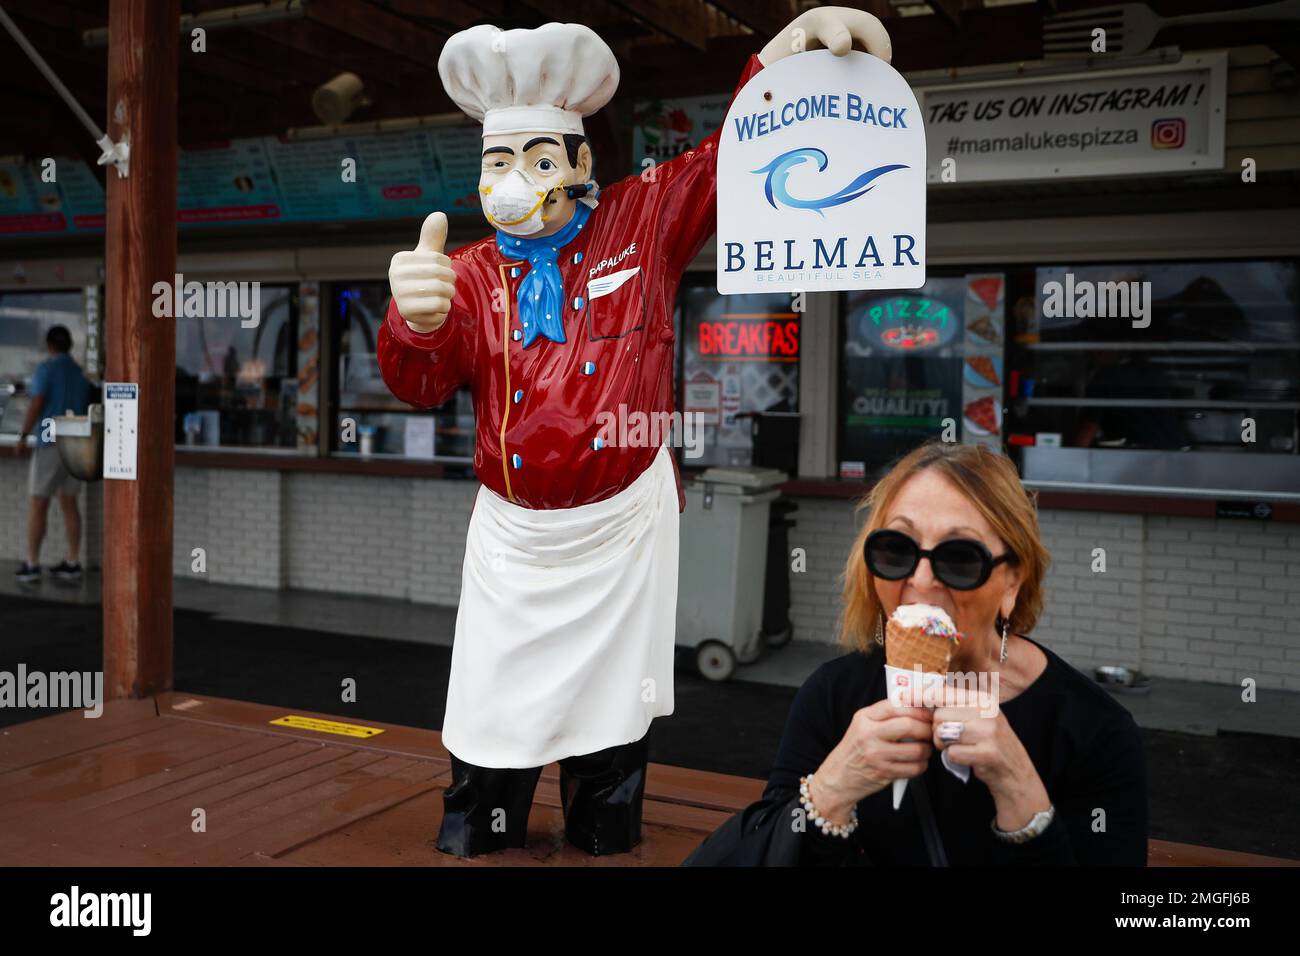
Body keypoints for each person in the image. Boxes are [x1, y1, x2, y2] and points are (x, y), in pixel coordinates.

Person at [377, 9, 894, 857]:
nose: (515, 178)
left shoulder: (642, 220)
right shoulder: (466, 272)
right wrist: (416, 321)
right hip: (513, 534)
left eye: (538, 158)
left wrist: (782, 62)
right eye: (498, 161)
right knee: (491, 695)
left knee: (614, 699)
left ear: (581, 164)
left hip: (621, 522)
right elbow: (419, 387)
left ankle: (603, 823)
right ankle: (481, 819)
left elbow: (731, 159)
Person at [683, 441, 1148, 865]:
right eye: (895, 549)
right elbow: (776, 851)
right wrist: (832, 789)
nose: (921, 581)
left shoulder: (1094, 729)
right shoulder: (832, 696)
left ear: (1013, 580)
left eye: (960, 558)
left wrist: (1016, 784)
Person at [14, 325, 91, 584]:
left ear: (49, 346)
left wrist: (23, 435)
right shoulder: (80, 374)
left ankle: (32, 562)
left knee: (39, 503)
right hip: (77, 443)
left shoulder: (46, 370)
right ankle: (72, 561)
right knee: (70, 503)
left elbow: (37, 402)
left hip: (49, 440)